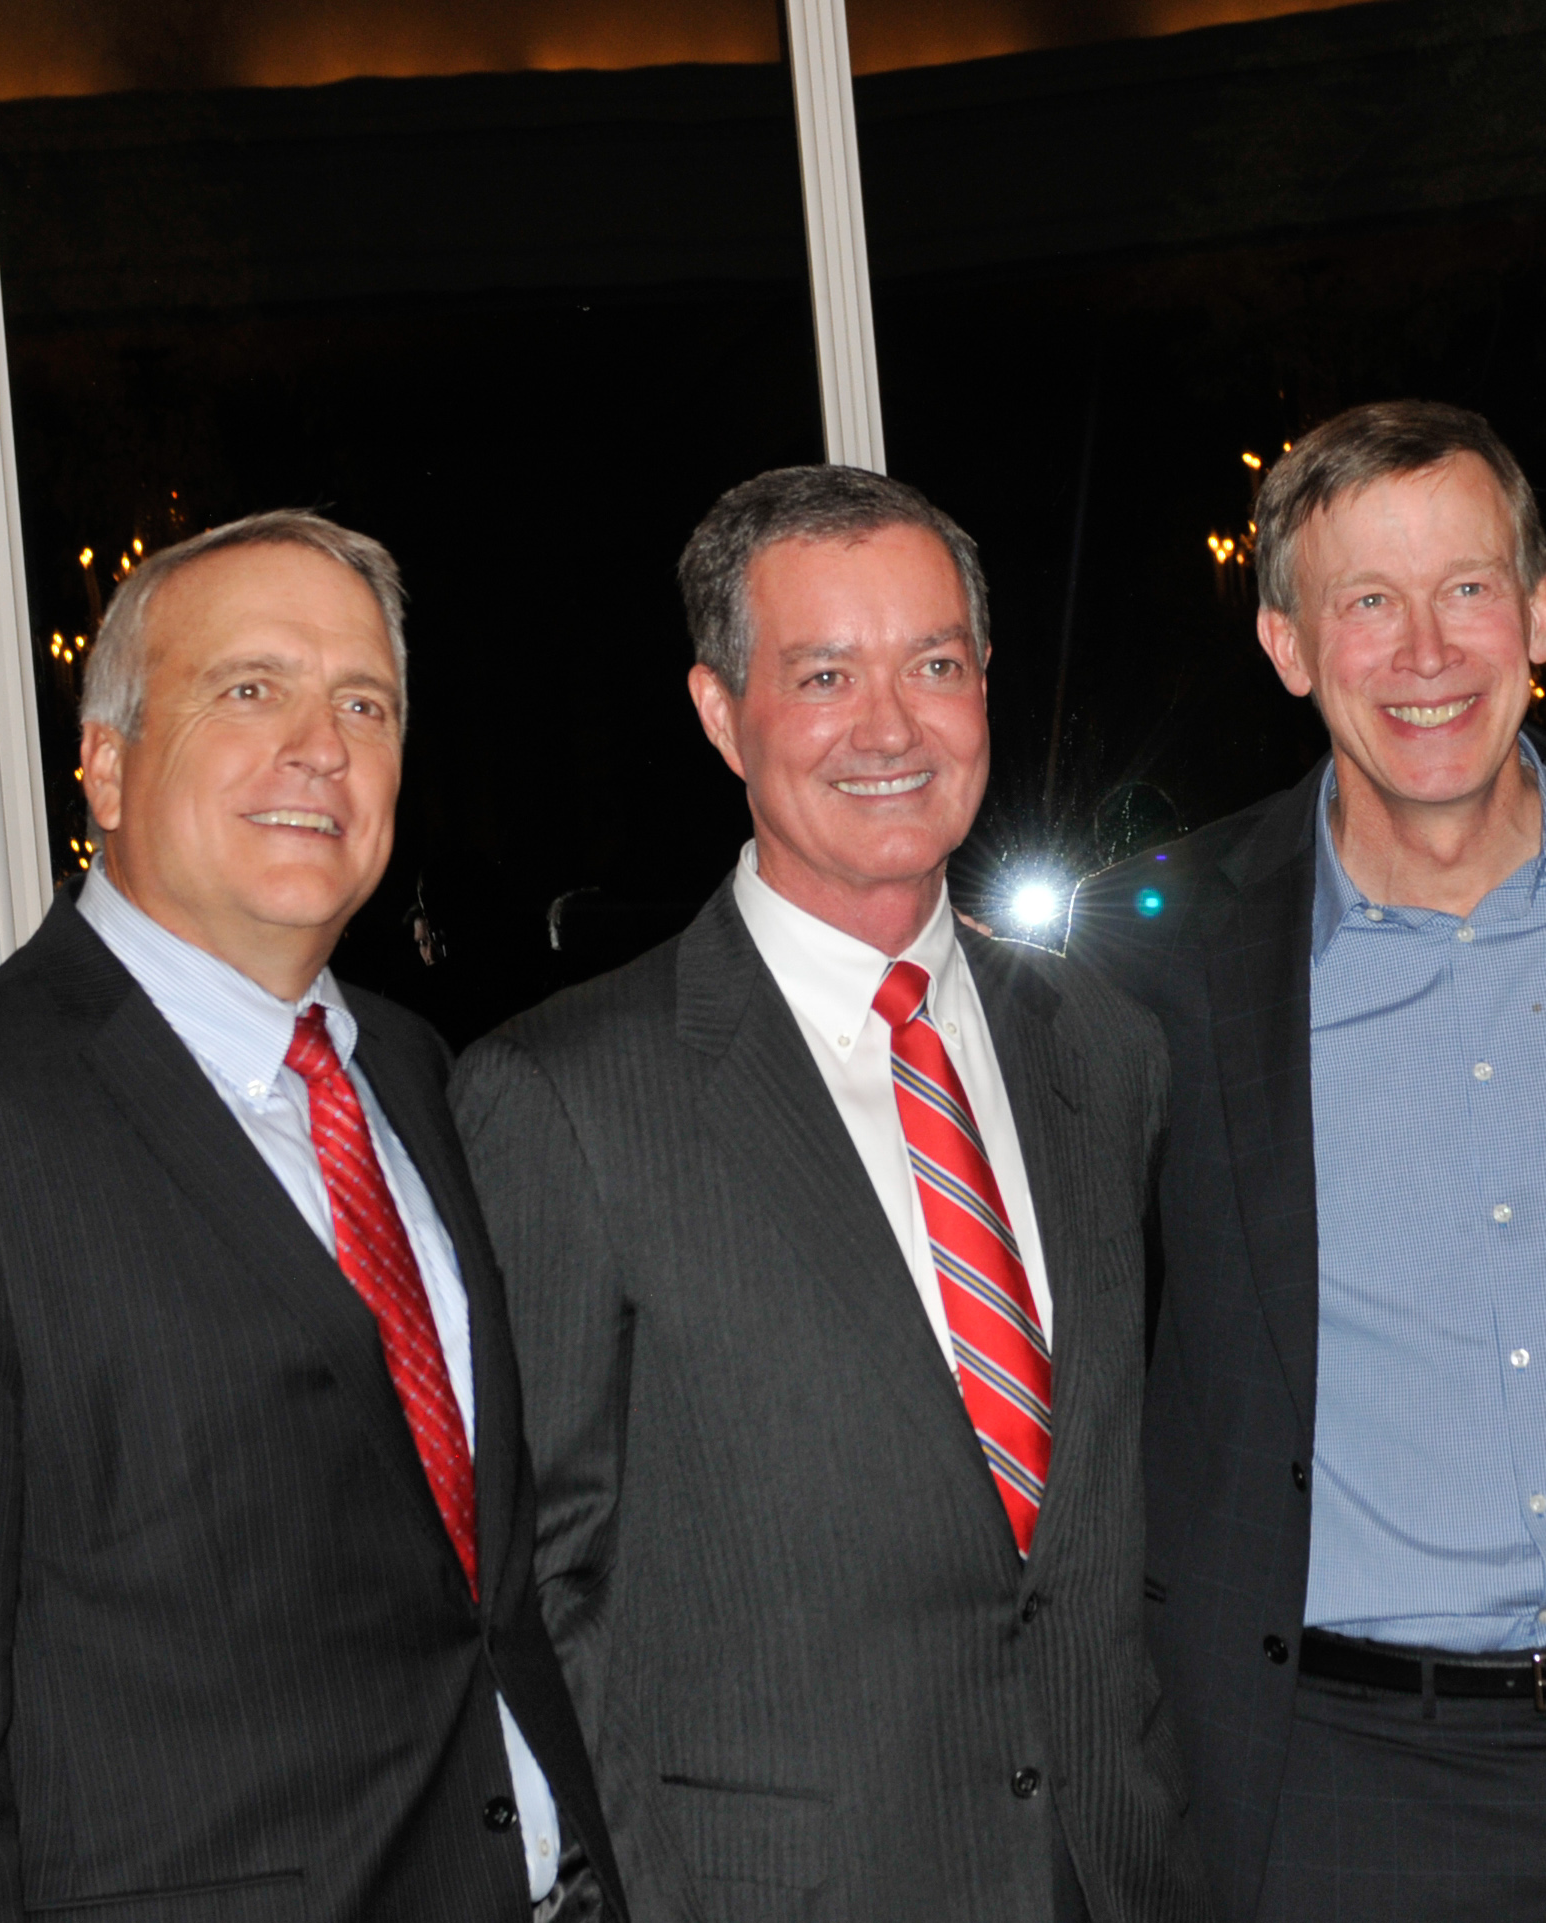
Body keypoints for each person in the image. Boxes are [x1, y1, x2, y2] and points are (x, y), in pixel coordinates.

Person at [0, 511, 621, 1921]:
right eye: (250, 688)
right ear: (105, 765)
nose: (320, 744)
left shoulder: (419, 1073)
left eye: (364, 702)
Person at [1072, 400, 1546, 1922]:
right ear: (1288, 645)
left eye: (1468, 588)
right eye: (1367, 603)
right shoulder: (1158, 962)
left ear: (1541, 612)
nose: (1427, 652)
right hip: (1348, 1788)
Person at [452, 466, 1208, 1923]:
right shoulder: (567, 1096)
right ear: (721, 713)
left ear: (986, 685)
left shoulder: (1104, 1057)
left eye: (934, 665)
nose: (889, 727)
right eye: (823, 674)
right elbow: (537, 1591)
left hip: (1115, 1877)